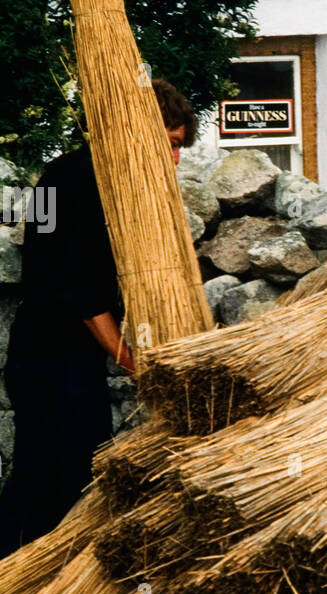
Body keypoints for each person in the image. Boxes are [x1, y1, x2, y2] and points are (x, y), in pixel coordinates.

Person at [0, 79, 197, 556]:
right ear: (140, 130)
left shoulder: (54, 175)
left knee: (34, 475)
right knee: (73, 483)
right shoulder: (89, 184)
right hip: (58, 361)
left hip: (34, 353)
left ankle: (21, 582)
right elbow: (80, 290)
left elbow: (40, 250)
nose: (175, 160)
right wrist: (132, 360)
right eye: (171, 144)